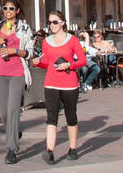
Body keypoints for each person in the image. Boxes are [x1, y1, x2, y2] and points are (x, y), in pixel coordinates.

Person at [33, 10, 87, 163]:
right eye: (49, 22)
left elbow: (82, 61)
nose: (52, 25)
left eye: (55, 22)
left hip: (69, 83)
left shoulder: (73, 40)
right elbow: (45, 62)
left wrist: (69, 64)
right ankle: (49, 150)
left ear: (63, 23)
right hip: (51, 83)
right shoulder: (46, 41)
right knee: (51, 117)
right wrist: (38, 62)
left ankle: (73, 148)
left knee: (71, 115)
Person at [0, 0, 32, 164]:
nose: (7, 11)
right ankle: (15, 131)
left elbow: (29, 53)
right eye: (5, 8)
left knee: (14, 109)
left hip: (17, 72)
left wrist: (15, 50)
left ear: (17, 11)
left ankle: (11, 149)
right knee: (3, 113)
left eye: (11, 8)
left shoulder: (25, 28)